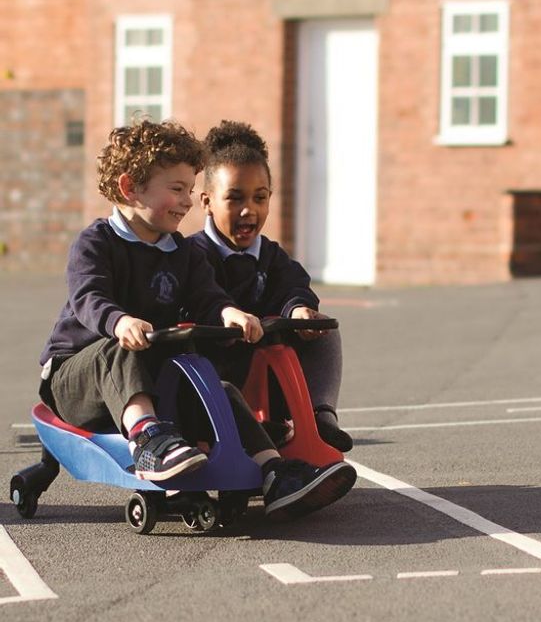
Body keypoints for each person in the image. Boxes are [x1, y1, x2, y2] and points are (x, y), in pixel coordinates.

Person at [38, 118, 356, 518]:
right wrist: (120, 321)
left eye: (189, 189)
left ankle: (275, 471)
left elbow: (207, 297)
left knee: (218, 389)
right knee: (117, 351)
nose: (188, 200)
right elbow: (89, 298)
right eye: (177, 190)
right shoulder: (96, 243)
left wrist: (230, 313)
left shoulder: (182, 252)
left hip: (147, 375)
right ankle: (148, 439)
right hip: (79, 378)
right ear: (130, 188)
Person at [188, 119, 354, 452]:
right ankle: (254, 440)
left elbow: (293, 286)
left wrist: (300, 310)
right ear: (206, 201)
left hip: (268, 378)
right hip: (218, 380)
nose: (249, 209)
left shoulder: (270, 254)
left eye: (260, 197)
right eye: (234, 198)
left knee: (324, 330)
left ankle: (320, 417)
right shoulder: (191, 255)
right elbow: (200, 296)